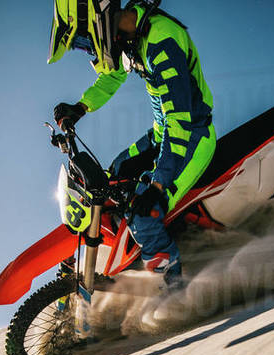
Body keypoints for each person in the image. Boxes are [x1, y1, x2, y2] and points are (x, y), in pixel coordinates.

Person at [49, 0, 215, 290]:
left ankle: (176, 291)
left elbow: (179, 119)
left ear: (97, 23)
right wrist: (81, 107)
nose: (88, 50)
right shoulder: (128, 36)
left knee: (143, 214)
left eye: (83, 41)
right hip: (162, 135)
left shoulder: (161, 41)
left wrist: (158, 185)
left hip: (190, 137)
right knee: (115, 173)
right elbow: (113, 76)